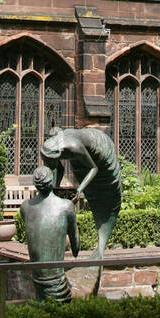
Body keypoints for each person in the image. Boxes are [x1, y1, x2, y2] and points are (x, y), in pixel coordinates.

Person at [39, 126, 122, 295]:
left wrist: (80, 189)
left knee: (106, 202)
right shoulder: (51, 146)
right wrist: (56, 186)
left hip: (100, 152)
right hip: (84, 157)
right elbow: (60, 169)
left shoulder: (72, 146)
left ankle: (100, 249)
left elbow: (94, 169)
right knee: (97, 201)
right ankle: (97, 256)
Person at [20, 165, 79, 302]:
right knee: (60, 308)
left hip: (37, 277)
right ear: (52, 182)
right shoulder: (66, 206)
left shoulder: (25, 207)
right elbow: (76, 247)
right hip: (56, 279)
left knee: (42, 307)